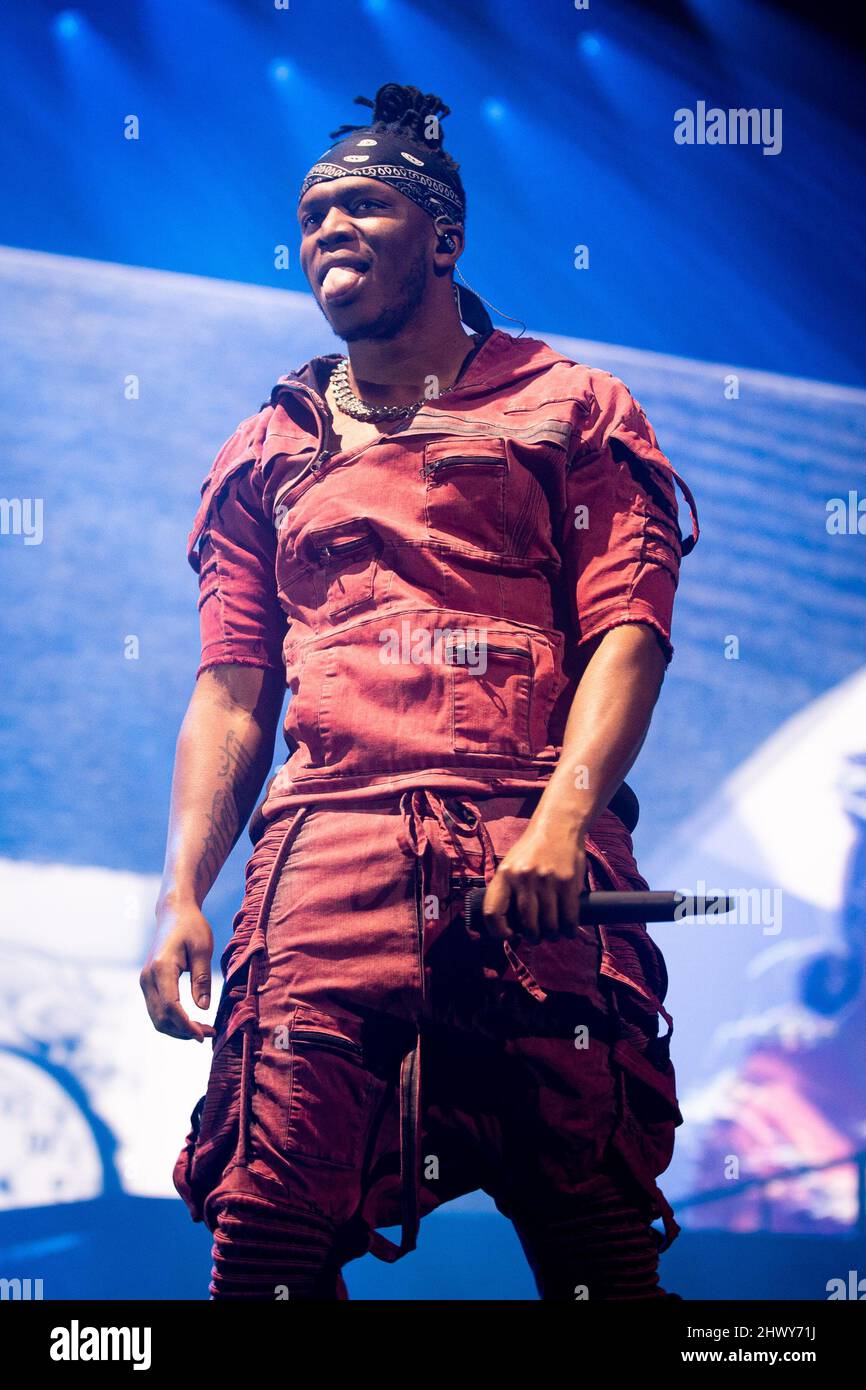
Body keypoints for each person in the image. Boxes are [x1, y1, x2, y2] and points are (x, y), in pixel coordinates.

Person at [140, 82, 701, 1301]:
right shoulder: (265, 450)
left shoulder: (567, 402)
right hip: (322, 860)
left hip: (527, 849)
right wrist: (182, 890)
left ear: (442, 238)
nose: (328, 230)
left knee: (593, 1227)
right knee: (264, 1239)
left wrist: (560, 822)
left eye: (362, 206)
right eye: (310, 214)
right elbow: (232, 689)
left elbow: (628, 633)